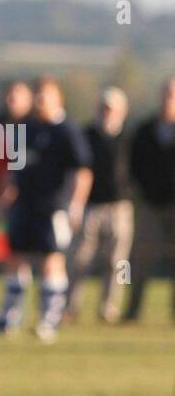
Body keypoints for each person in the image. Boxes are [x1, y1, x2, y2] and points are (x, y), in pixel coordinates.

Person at [0, 77, 93, 343]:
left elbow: (82, 171)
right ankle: (8, 318)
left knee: (50, 260)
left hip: (52, 206)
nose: (39, 100)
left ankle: (49, 320)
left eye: (45, 95)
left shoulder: (67, 131)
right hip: (24, 204)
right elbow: (14, 169)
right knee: (15, 258)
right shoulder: (25, 128)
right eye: (37, 95)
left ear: (58, 99)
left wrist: (75, 205)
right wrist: (3, 199)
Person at [66, 88, 133, 323]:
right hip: (89, 205)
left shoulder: (130, 138)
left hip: (120, 207)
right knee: (78, 259)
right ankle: (69, 306)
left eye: (112, 109)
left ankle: (110, 307)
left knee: (120, 262)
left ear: (122, 112)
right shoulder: (86, 135)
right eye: (104, 108)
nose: (107, 113)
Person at [121, 78, 175, 323]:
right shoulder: (144, 131)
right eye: (166, 94)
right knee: (140, 261)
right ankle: (132, 311)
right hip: (149, 205)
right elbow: (132, 166)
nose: (168, 100)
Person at [0, 81, 32, 219]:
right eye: (9, 93)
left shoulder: (32, 129)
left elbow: (19, 169)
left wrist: (5, 195)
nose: (12, 97)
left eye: (17, 93)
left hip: (16, 201)